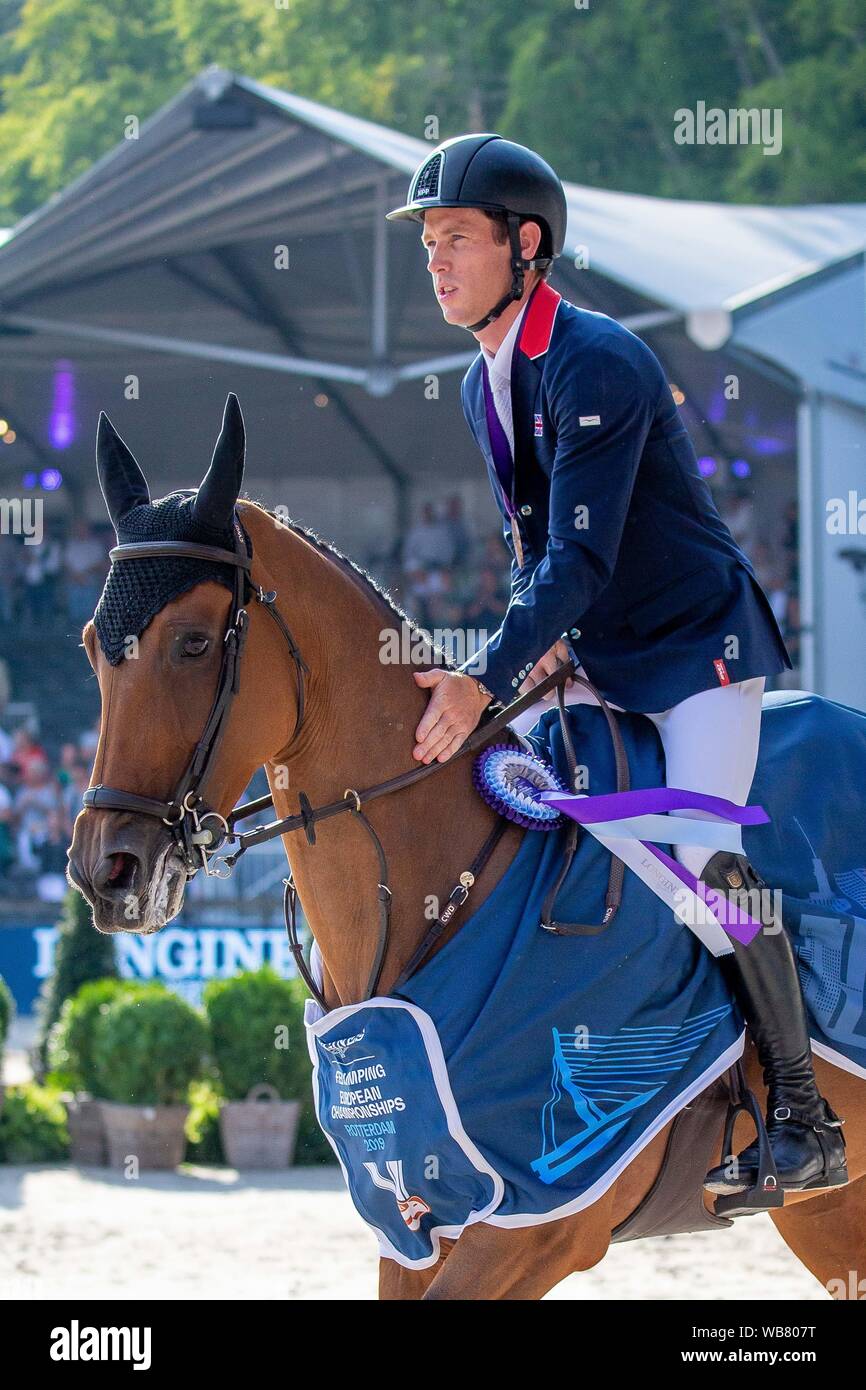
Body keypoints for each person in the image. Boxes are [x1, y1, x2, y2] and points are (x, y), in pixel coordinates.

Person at [385, 133, 847, 1198]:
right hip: (594, 647)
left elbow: (578, 555)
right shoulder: (478, 382)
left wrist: (482, 675)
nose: (437, 262)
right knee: (513, 812)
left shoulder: (598, 359)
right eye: (429, 246)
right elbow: (530, 552)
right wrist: (517, 664)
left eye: (455, 238)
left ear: (525, 243)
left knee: (699, 865)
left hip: (695, 651)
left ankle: (802, 1110)